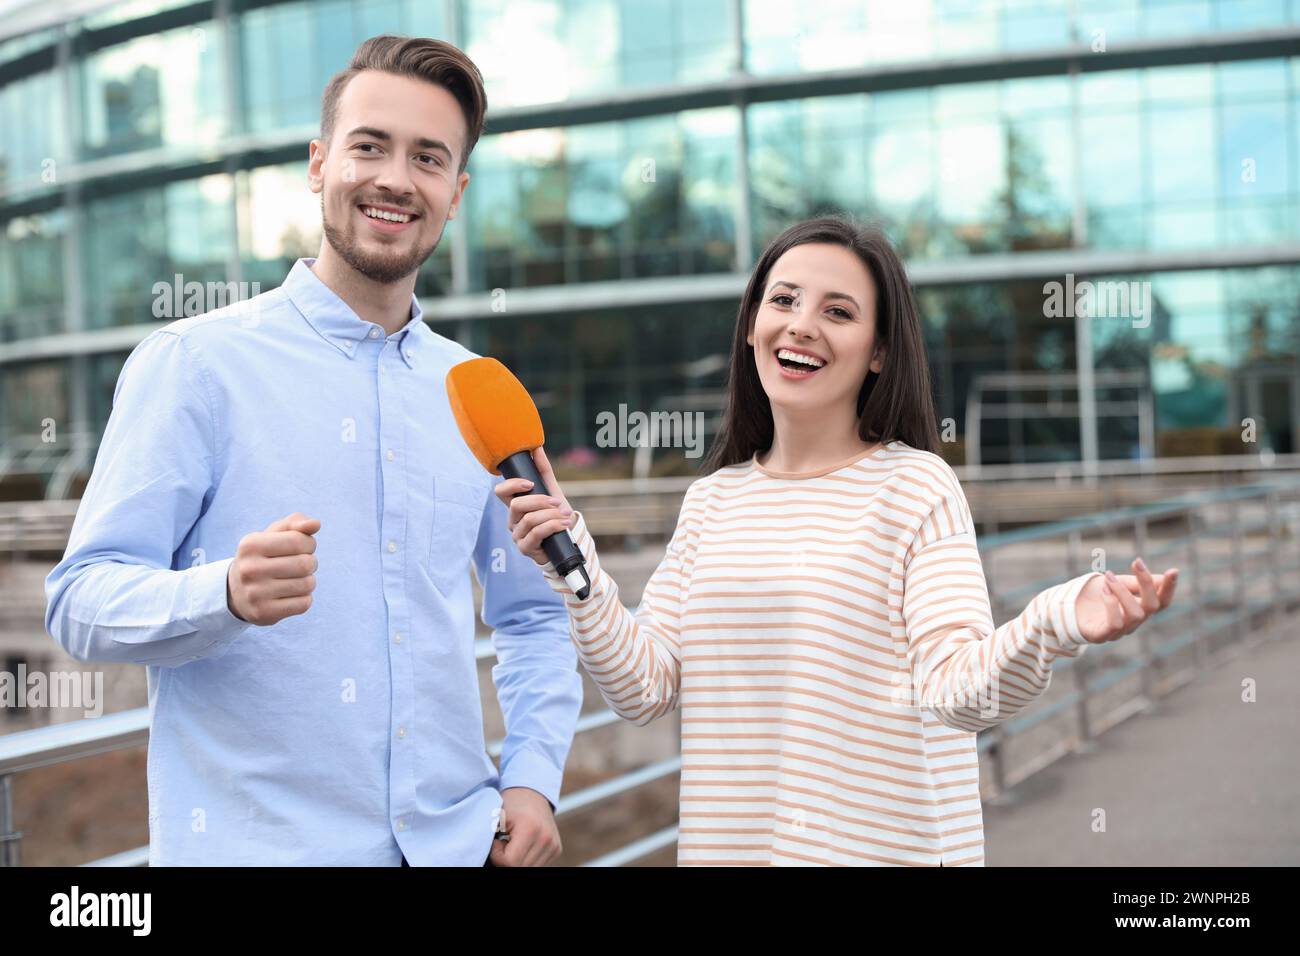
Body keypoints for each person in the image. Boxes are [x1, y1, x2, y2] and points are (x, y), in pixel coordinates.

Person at [44, 35, 581, 867]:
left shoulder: (476, 391)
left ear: (455, 192)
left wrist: (533, 778)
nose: (396, 179)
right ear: (320, 162)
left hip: (458, 848)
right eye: (370, 146)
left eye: (428, 158)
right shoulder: (194, 365)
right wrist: (220, 592)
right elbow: (79, 601)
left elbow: (535, 614)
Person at [495, 214, 1179, 867]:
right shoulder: (713, 500)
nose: (801, 325)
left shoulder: (916, 488)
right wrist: (573, 561)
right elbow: (643, 686)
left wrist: (1057, 620)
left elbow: (957, 691)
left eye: (838, 311)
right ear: (752, 325)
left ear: (879, 351)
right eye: (784, 299)